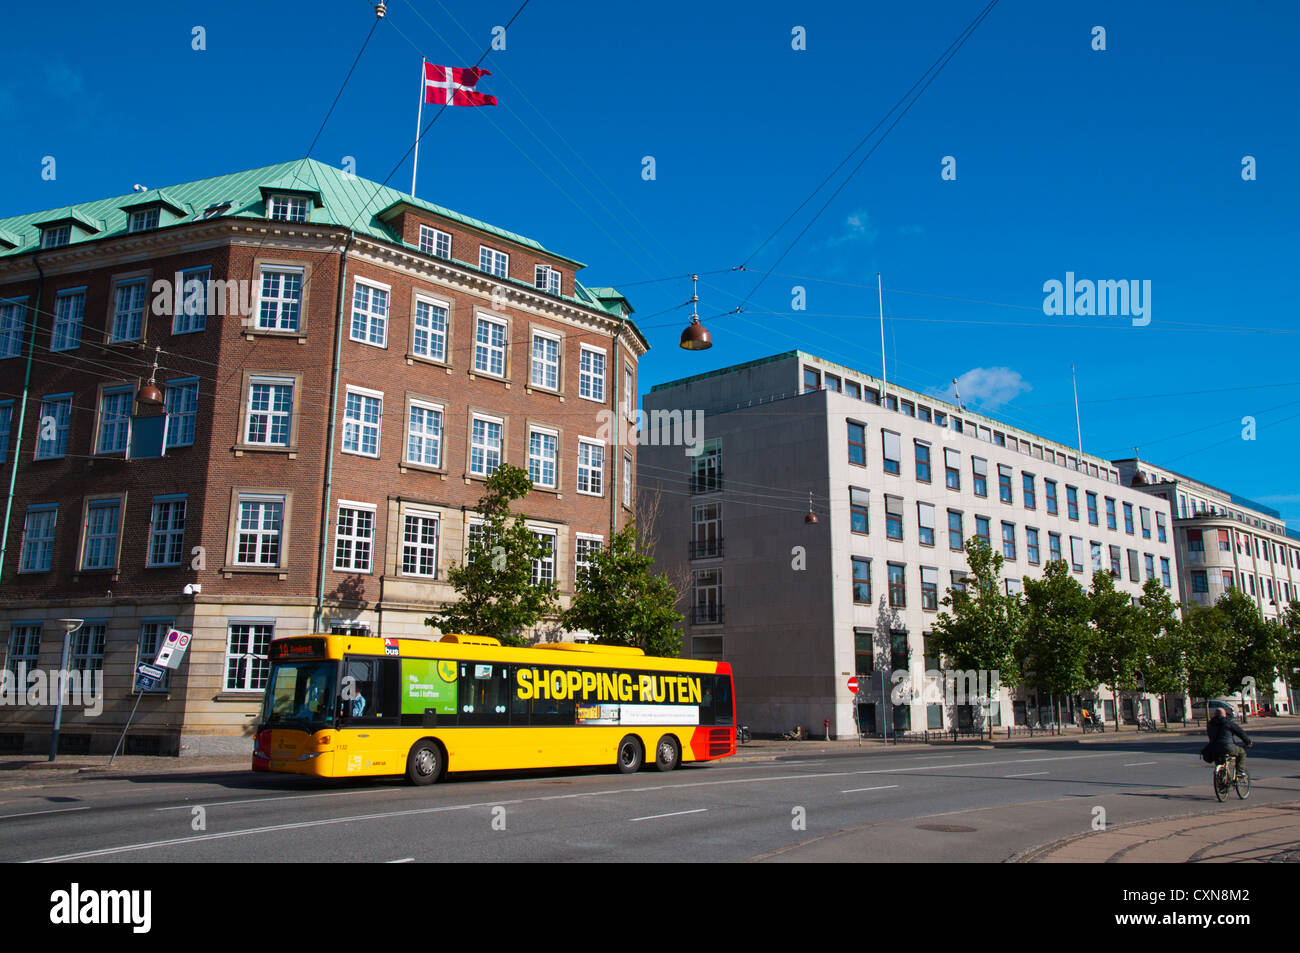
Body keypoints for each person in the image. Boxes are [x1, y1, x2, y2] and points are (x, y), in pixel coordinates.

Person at [1206, 707, 1252, 781]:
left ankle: (1221, 783)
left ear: (1214, 715)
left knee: (1219, 762)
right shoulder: (1228, 723)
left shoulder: (1210, 724)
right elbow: (1240, 732)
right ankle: (1240, 772)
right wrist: (1248, 742)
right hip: (1228, 747)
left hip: (1214, 748)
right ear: (1224, 715)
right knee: (1242, 753)